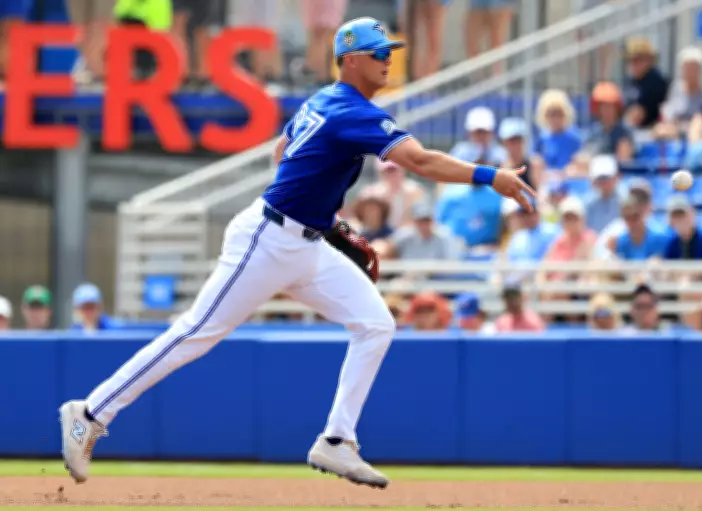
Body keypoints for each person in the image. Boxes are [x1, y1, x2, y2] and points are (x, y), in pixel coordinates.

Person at [57, 17, 534, 489]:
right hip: (267, 240)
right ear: (350, 60)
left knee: (376, 323)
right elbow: (420, 160)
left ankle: (336, 441)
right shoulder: (353, 111)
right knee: (194, 335)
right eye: (380, 52)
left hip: (307, 243)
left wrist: (325, 213)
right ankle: (90, 413)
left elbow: (282, 152)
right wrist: (492, 176)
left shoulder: (322, 101)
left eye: (391, 51)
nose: (390, 59)